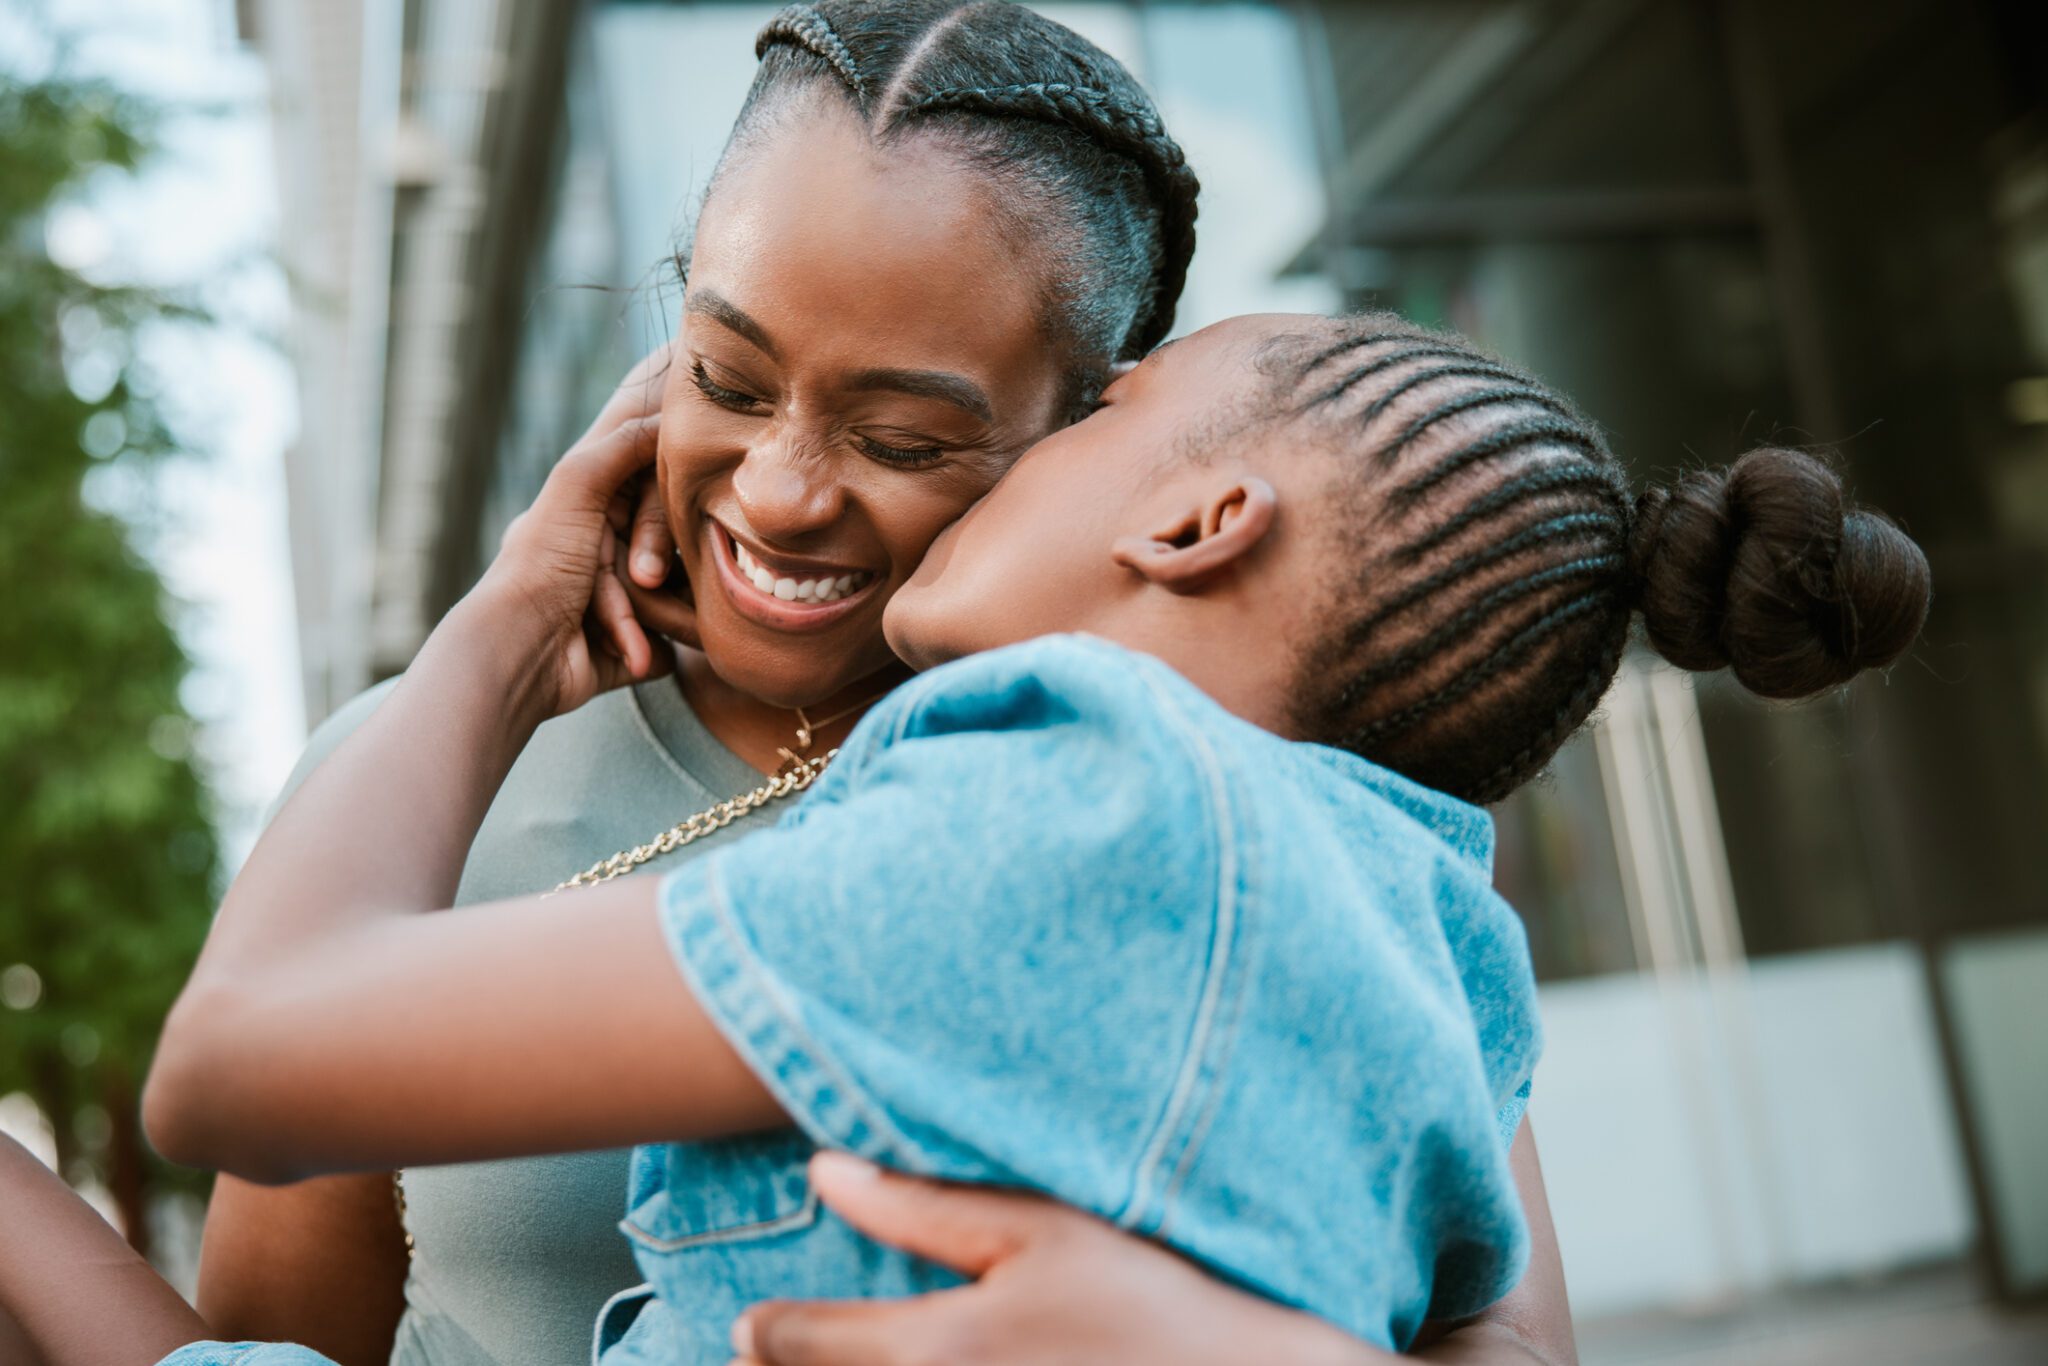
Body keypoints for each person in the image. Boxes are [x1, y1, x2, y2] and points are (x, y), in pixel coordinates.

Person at [0, 308, 1930, 1364]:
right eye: (727, 370)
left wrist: (495, 628)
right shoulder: (1429, 900)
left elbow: (234, 1060)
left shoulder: (1071, 799)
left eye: (1093, 408)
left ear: (1195, 523)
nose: (785, 478)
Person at [189, 4, 1581, 1364]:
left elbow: (1503, 1328)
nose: (782, 493)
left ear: (1084, 423)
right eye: (728, 376)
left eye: (904, 436)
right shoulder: (412, 776)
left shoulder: (1224, 809)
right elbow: (267, 1329)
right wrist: (497, 634)